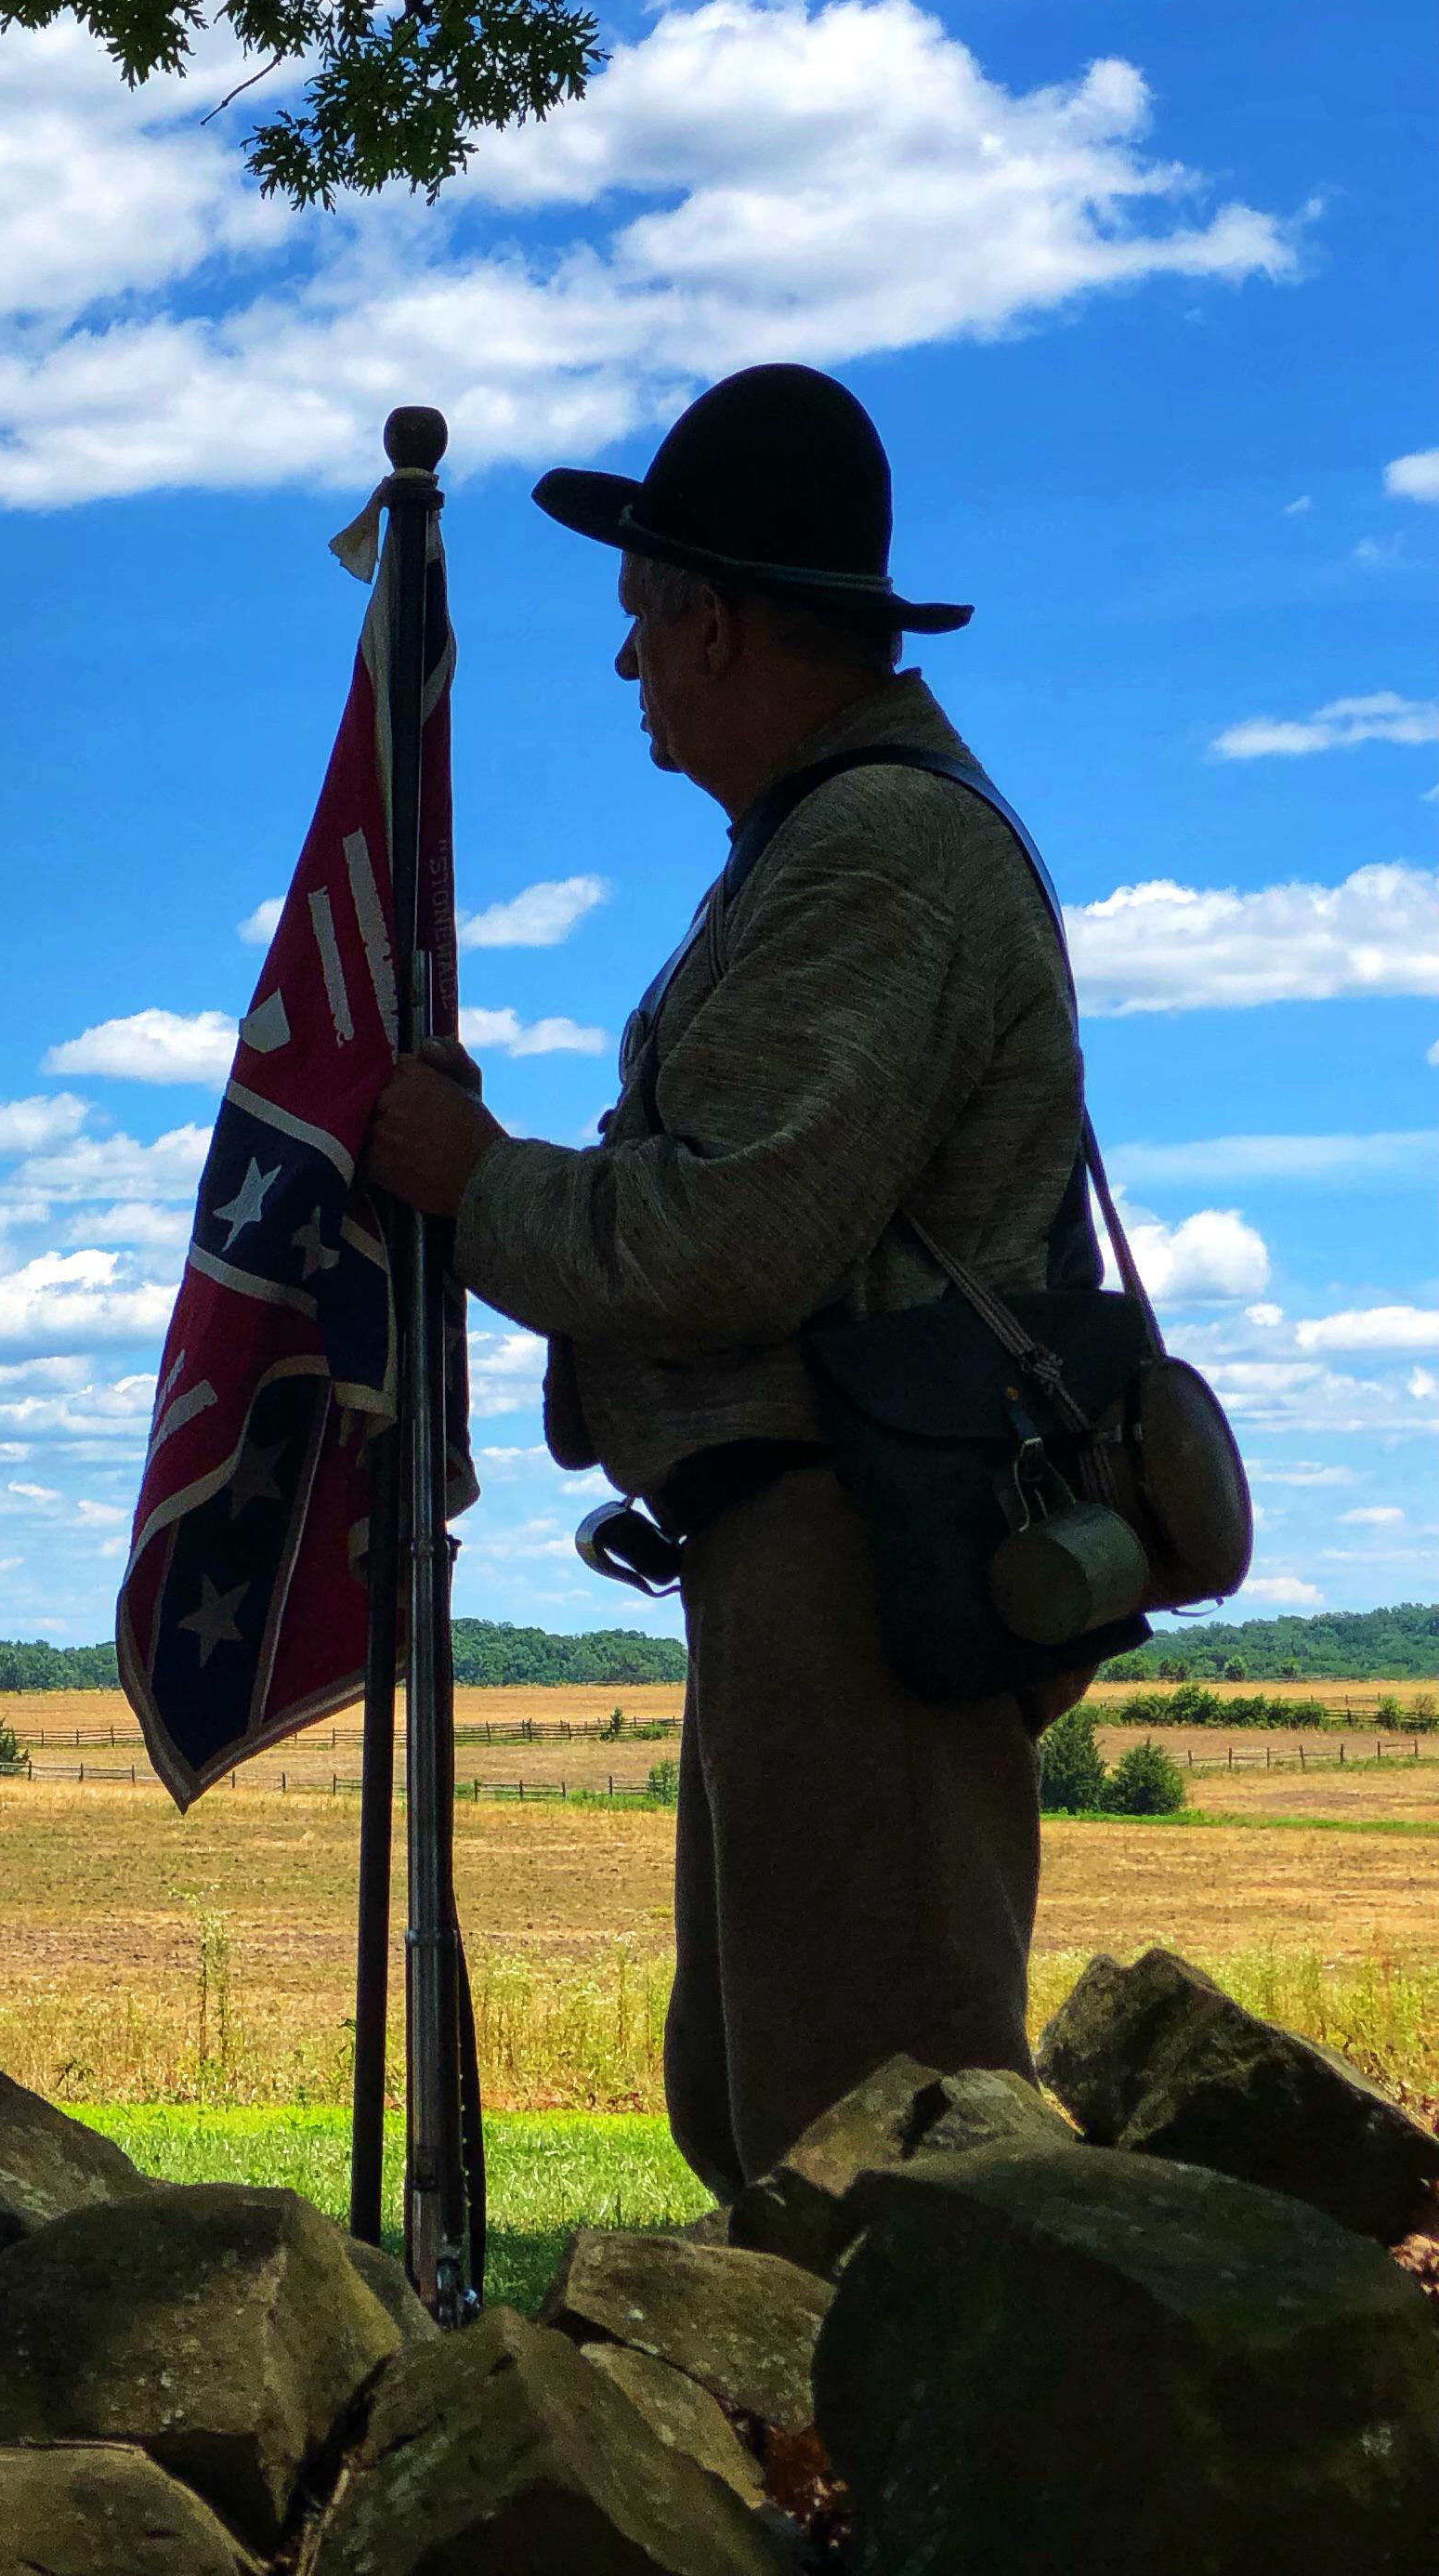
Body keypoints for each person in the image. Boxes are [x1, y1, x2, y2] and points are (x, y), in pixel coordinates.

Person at [360, 362, 1085, 2201]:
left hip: (858, 1563)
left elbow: (724, 1239)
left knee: (867, 2153)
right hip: (812, 1555)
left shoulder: (880, 851)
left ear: (720, 625)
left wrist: (473, 1183)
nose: (625, 674)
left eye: (639, 625)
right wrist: (506, 1173)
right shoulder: (837, 842)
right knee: (767, 2109)